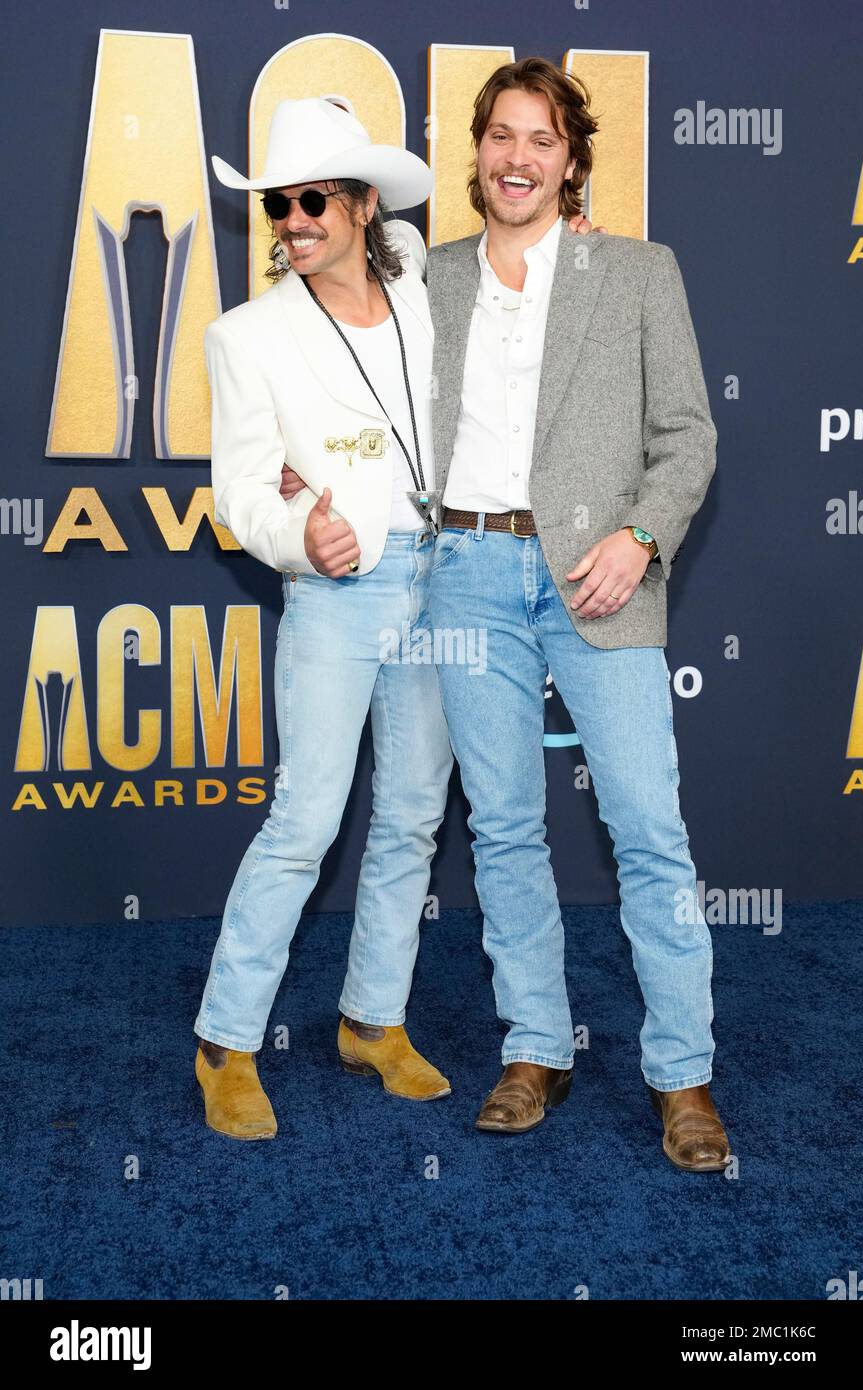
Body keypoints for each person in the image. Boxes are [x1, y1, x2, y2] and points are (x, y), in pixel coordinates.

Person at [420, 57, 731, 1168]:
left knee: (646, 829)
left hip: (600, 574)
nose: (517, 158)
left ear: (570, 159)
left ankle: (682, 1076)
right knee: (501, 826)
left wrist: (638, 536)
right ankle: (535, 1045)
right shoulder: (427, 276)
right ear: (477, 151)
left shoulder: (639, 272)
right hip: (463, 572)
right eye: (500, 136)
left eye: (540, 140)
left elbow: (687, 435)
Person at [194, 96, 457, 1139]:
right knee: (304, 823)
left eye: (311, 199)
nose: (291, 220)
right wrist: (302, 533)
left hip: (439, 584)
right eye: (276, 204)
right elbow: (239, 489)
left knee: (411, 816)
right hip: (337, 595)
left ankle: (370, 1020)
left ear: (358, 204)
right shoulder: (245, 336)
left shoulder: (419, 278)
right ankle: (224, 1042)